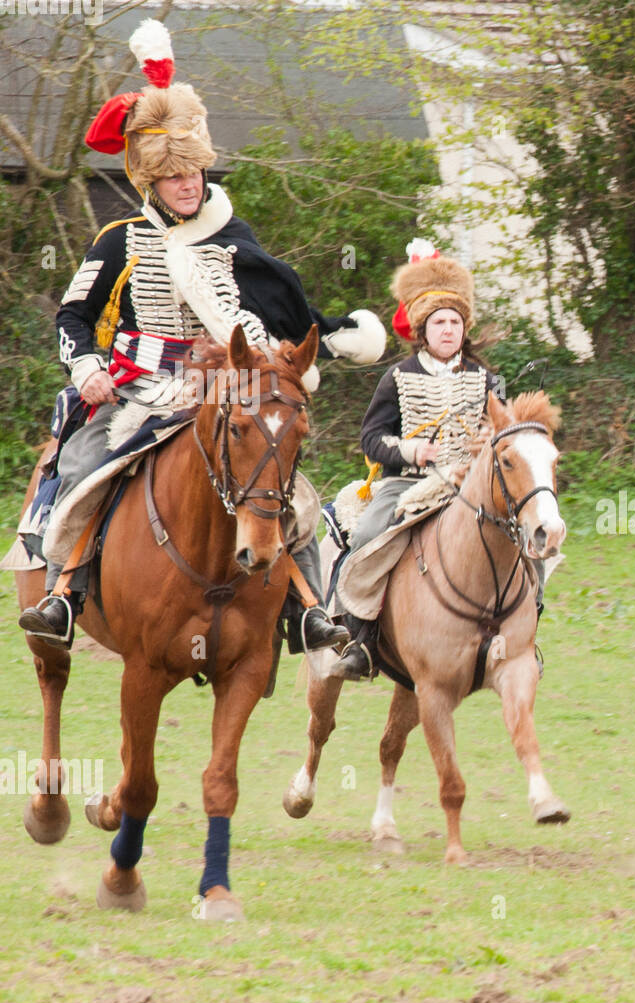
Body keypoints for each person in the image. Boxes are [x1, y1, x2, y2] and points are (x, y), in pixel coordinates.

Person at [18, 20, 386, 650]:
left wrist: (316, 340)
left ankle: (309, 610)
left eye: (196, 171)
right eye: (174, 175)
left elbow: (276, 305)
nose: (189, 184)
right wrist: (87, 370)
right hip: (136, 388)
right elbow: (71, 318)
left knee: (285, 480)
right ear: (150, 179)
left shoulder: (232, 239)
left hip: (221, 388)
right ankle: (64, 593)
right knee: (83, 462)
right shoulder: (118, 241)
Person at [331, 242, 505, 681]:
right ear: (422, 331)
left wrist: (490, 439)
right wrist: (410, 451)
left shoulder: (486, 379)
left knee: (522, 533)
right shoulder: (398, 377)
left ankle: (521, 632)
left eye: (456, 323)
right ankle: (361, 641)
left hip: (468, 484)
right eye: (440, 323)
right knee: (369, 534)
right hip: (405, 484)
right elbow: (371, 440)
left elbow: (506, 437)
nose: (449, 330)